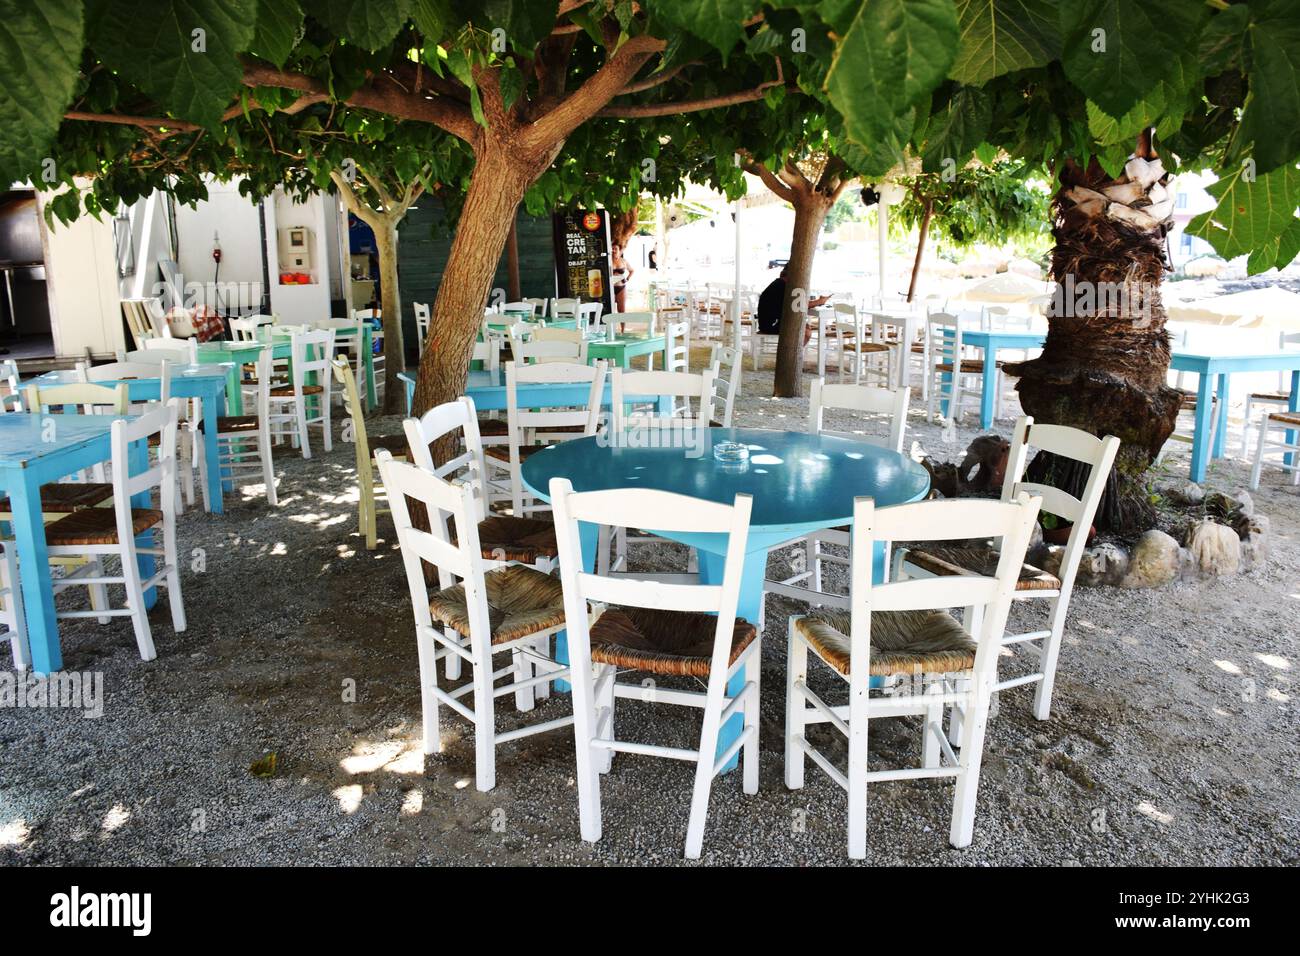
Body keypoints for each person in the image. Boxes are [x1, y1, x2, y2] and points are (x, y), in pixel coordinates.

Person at [756, 267, 830, 345]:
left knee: (804, 326)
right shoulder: (782, 286)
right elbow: (799, 305)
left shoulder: (779, 284)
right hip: (770, 326)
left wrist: (816, 302)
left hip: (769, 323)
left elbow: (796, 303)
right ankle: (795, 355)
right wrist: (819, 301)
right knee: (805, 331)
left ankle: (796, 353)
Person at [611, 244, 633, 313]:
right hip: (610, 287)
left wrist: (627, 278)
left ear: (619, 251)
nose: (613, 251)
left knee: (622, 310)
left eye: (615, 249)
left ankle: (623, 324)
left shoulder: (623, 261)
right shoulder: (608, 261)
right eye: (612, 249)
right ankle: (611, 324)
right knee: (611, 311)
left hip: (621, 287)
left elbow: (632, 270)